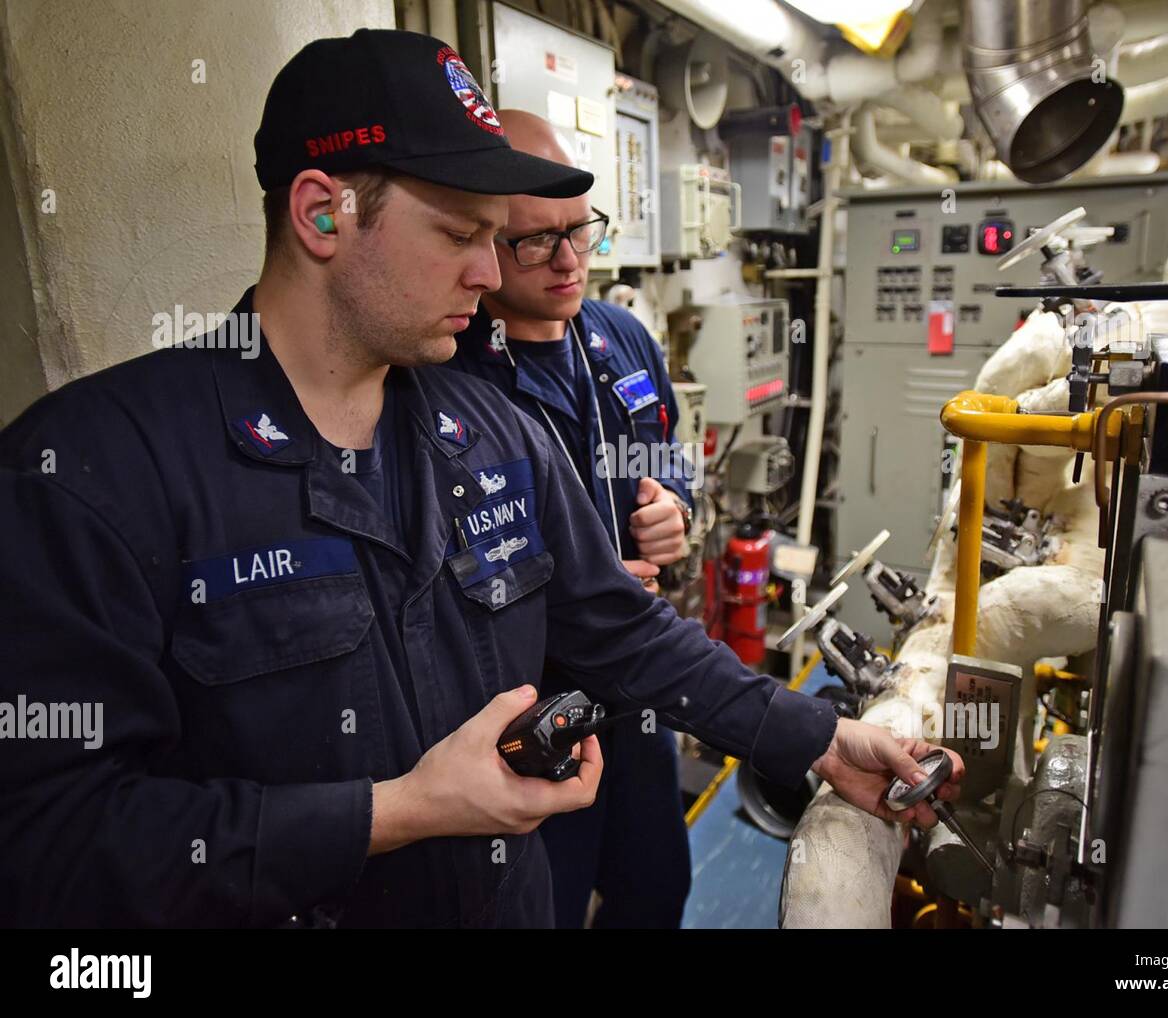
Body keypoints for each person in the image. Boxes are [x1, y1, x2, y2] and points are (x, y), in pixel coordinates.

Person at [0, 29, 963, 928]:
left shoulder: (491, 431)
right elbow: (51, 840)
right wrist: (396, 813)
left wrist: (821, 741)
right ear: (321, 213)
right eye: (462, 234)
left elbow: (624, 633)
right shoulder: (93, 474)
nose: (484, 273)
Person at [448, 109, 695, 928]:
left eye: (578, 231)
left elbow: (667, 449)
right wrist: (564, 592)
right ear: (486, 245)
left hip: (640, 685)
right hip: (531, 704)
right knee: (543, 901)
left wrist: (674, 507)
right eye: (534, 241)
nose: (566, 260)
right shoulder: (455, 382)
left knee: (654, 885)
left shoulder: (622, 338)